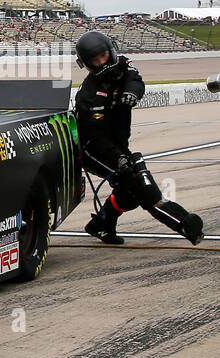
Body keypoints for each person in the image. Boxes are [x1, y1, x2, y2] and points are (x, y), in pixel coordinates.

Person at [74, 30, 204, 245]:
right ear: (87, 64)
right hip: (92, 150)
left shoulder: (124, 67)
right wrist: (118, 158)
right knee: (140, 184)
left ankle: (101, 225)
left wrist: (132, 93)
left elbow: (135, 80)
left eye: (103, 55)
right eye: (95, 60)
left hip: (117, 145)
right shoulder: (89, 95)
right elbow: (94, 138)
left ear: (111, 51)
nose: (102, 62)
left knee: (129, 192)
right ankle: (185, 224)